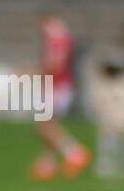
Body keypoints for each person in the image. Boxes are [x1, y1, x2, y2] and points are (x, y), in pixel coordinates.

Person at [30, 12, 90, 179]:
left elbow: (55, 64)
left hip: (56, 85)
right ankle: (47, 163)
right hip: (59, 84)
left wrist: (34, 71)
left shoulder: (55, 37)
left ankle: (74, 152)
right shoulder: (62, 36)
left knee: (43, 125)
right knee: (49, 125)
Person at [88, 47, 124, 179]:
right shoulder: (102, 84)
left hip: (119, 120)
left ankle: (120, 165)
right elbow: (98, 104)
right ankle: (106, 166)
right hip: (109, 120)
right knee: (107, 144)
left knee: (119, 144)